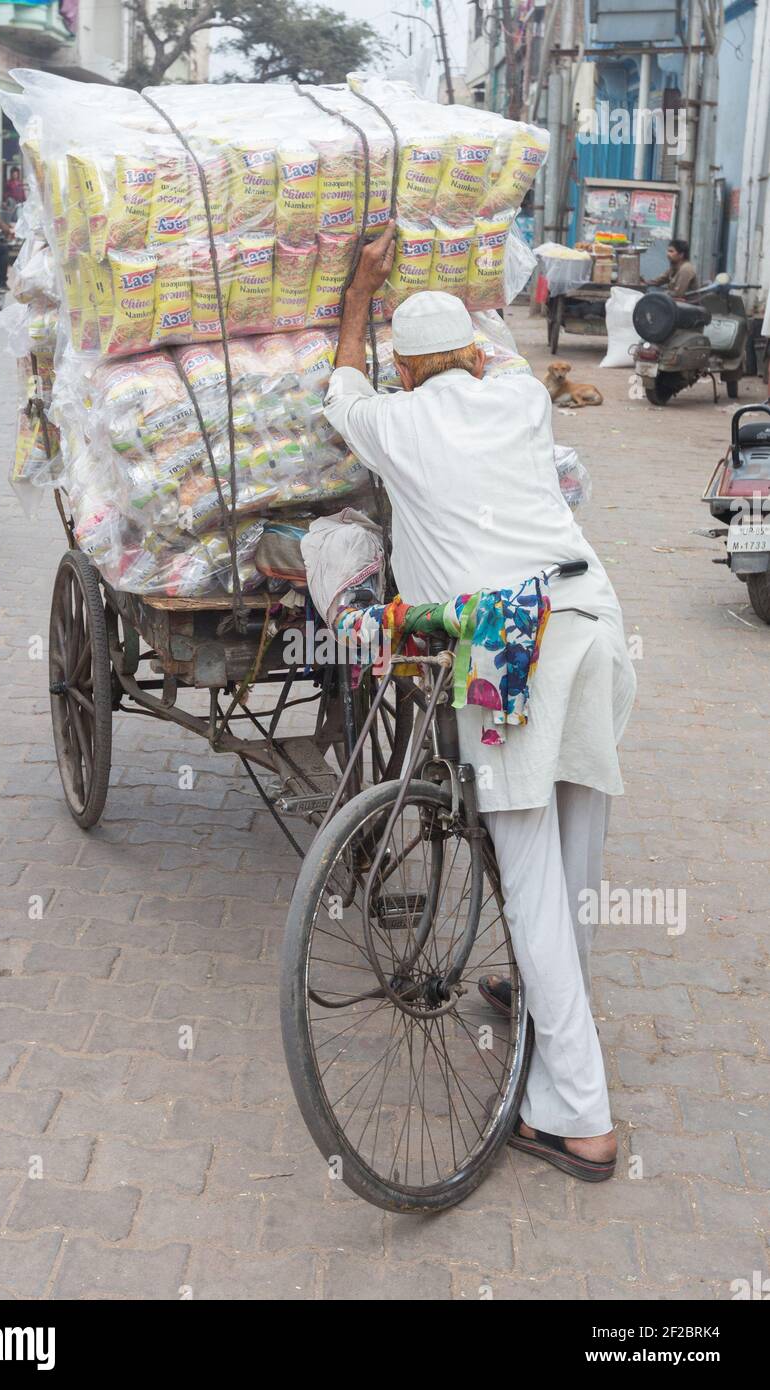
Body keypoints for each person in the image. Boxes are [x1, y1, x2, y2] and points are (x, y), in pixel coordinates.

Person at [323, 224, 636, 1182]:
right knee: (574, 847)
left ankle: (580, 1117)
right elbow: (489, 346)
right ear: (471, 354)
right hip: (593, 616)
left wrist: (358, 297)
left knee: (529, 864)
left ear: (408, 374)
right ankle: (546, 1002)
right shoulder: (515, 397)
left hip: (510, 648)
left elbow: (340, 384)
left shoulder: (395, 421)